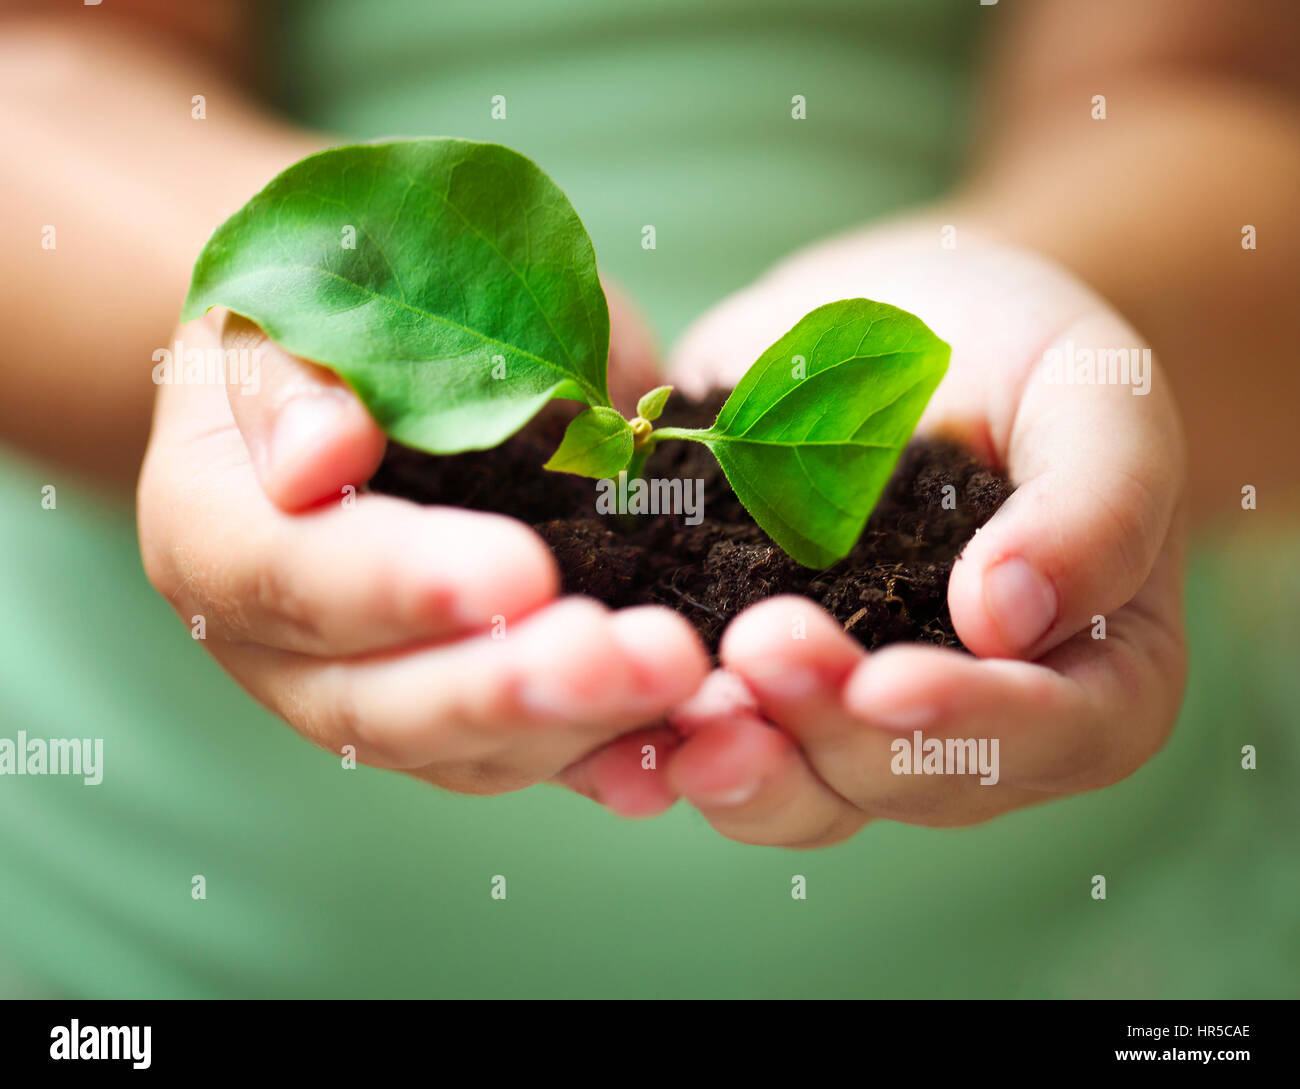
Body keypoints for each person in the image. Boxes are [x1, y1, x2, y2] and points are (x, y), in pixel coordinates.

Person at [1, 0, 1295, 997]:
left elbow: (1217, 100)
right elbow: (42, 80)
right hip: (170, 936)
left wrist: (1056, 309)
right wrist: (252, 327)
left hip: (1106, 954)